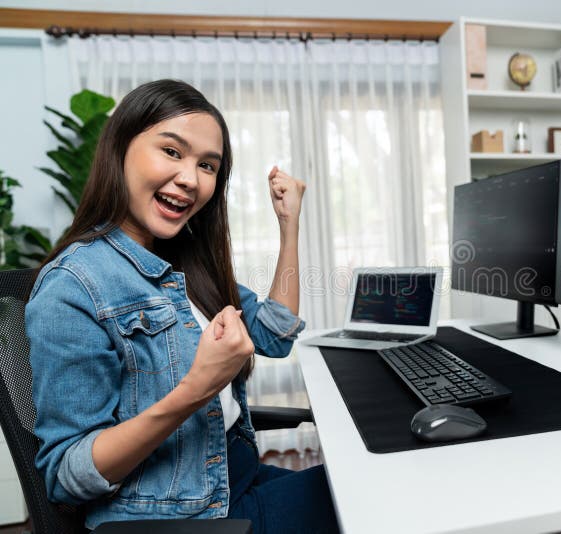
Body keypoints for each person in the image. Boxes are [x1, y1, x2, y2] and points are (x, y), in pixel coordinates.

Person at [25, 79, 340, 533]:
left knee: (368, 484)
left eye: (207, 165)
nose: (191, 179)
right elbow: (67, 476)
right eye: (172, 152)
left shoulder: (183, 263)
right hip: (180, 517)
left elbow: (275, 334)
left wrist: (288, 226)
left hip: (235, 479)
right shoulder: (73, 285)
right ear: (120, 148)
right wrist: (196, 388)